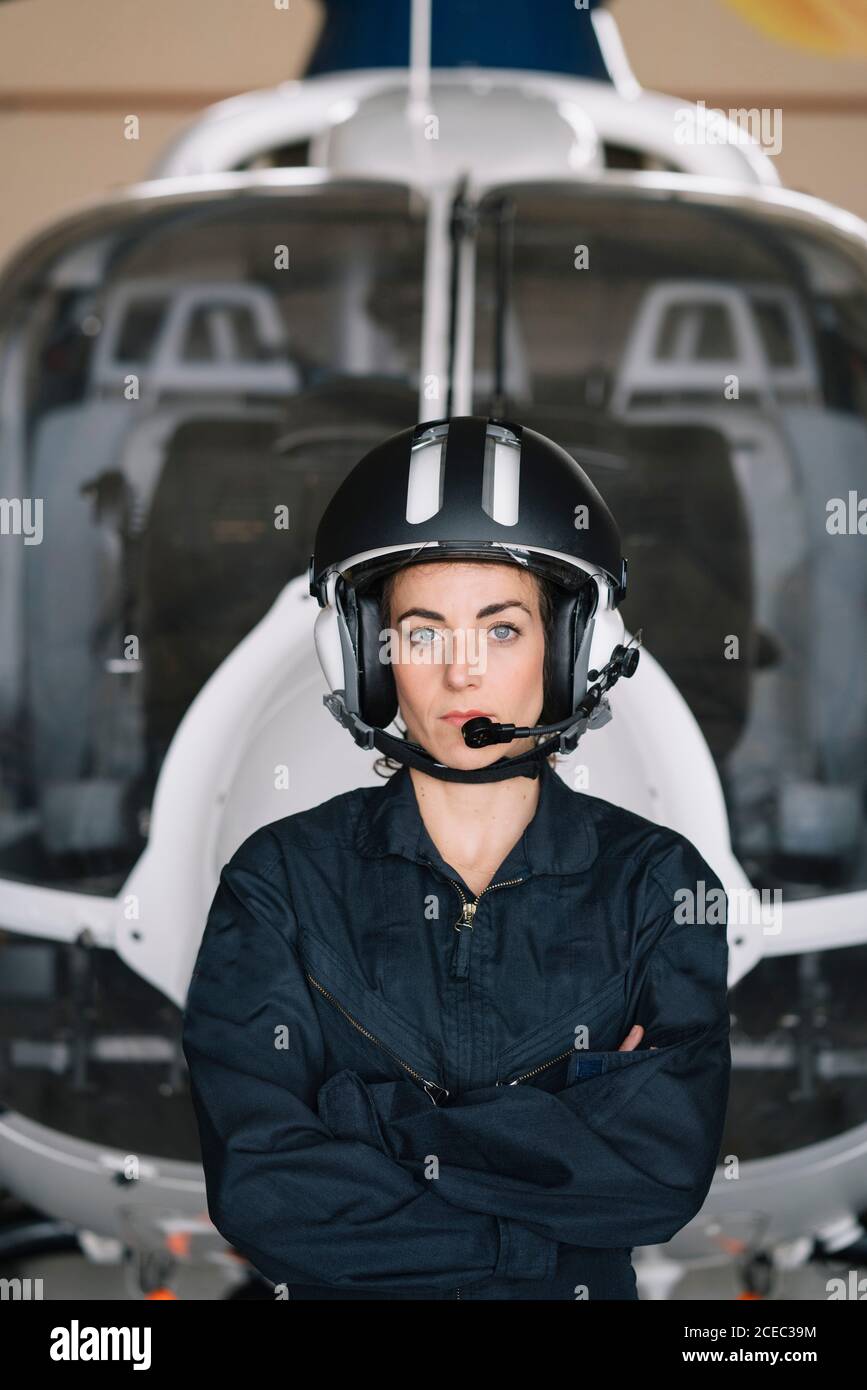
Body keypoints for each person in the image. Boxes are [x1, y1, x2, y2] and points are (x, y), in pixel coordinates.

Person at [182, 415, 731, 1300]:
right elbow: (266, 1194)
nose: (461, 673)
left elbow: (654, 1179)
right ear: (366, 654)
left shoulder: (658, 885)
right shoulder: (277, 882)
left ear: (569, 649)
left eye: (503, 629)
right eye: (421, 632)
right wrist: (540, 1211)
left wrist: (361, 1124)